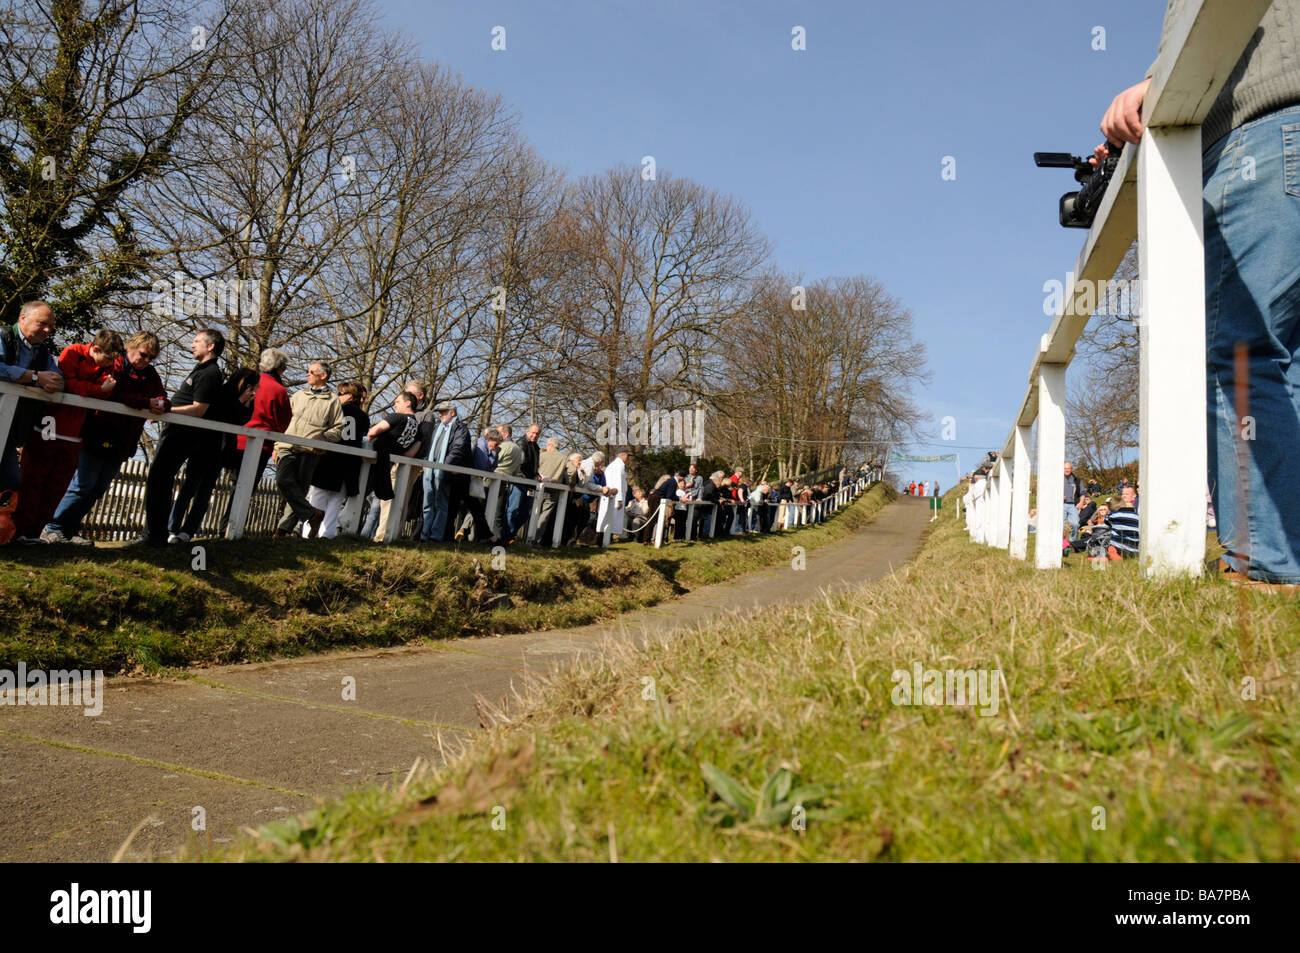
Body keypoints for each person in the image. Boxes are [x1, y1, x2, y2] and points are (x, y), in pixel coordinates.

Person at [1096, 0, 1300, 583]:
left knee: (1242, 355)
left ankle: (1263, 565)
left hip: (1261, 135)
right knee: (1286, 359)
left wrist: (1153, 83)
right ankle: (1285, 559)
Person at [44, 332, 170, 544]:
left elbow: (163, 398)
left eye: (151, 358)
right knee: (82, 485)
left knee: (99, 488)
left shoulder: (151, 374)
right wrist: (146, 402)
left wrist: (161, 405)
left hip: (124, 441)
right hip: (98, 433)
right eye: (143, 354)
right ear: (131, 347)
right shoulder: (116, 365)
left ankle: (71, 529)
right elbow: (114, 393)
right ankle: (53, 527)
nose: (146, 360)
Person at [12, 329, 123, 543]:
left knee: (57, 486)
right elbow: (66, 384)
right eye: (108, 358)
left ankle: (35, 533)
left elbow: (104, 390)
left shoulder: (111, 365)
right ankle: (19, 530)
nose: (110, 364)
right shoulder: (72, 353)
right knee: (34, 478)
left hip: (76, 431)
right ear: (96, 349)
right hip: (49, 424)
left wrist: (99, 390)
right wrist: (98, 389)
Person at [139, 328, 224, 548]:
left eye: (196, 341)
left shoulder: (210, 373)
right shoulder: (201, 370)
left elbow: (199, 409)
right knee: (159, 479)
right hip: (176, 430)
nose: (192, 344)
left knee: (160, 479)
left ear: (211, 346)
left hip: (183, 434)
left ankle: (154, 536)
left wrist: (166, 411)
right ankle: (154, 534)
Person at [169, 367, 258, 541]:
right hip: (204, 446)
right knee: (189, 487)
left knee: (205, 492)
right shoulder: (222, 392)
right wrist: (239, 402)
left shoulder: (248, 400)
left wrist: (245, 404)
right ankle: (171, 528)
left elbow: (240, 422)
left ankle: (188, 531)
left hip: (221, 451)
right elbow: (222, 415)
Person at [220, 347, 291, 531]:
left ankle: (219, 526)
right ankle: (230, 527)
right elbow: (284, 422)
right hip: (260, 446)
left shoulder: (247, 382)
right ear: (280, 368)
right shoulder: (278, 390)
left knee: (230, 484)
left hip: (235, 438)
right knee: (245, 489)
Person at [272, 361, 344, 539]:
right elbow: (283, 421)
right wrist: (276, 445)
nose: (307, 374)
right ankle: (313, 514)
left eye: (311, 372)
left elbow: (338, 428)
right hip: (287, 446)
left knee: (300, 489)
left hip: (310, 451)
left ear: (323, 375)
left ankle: (283, 530)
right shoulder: (298, 395)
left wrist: (325, 437)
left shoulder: (332, 400)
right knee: (282, 480)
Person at [1, 302, 64, 499]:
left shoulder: (43, 352)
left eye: (50, 327)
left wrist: (55, 384)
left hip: (10, 429)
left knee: (11, 482)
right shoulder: (2, 336)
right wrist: (35, 377)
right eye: (42, 323)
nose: (47, 330)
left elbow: (58, 379)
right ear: (22, 318)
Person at [304, 381, 369, 539]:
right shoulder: (363, 416)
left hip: (329, 459)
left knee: (318, 496)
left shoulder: (336, 409)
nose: (337, 397)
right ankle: (327, 534)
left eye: (340, 394)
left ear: (349, 396)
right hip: (349, 463)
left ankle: (307, 533)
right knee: (336, 499)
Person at [420, 401, 472, 542]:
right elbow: (431, 447)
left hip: (445, 473)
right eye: (440, 412)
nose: (440, 414)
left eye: (444, 412)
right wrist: (427, 461)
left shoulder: (461, 429)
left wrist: (443, 466)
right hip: (431, 470)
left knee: (441, 504)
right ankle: (424, 534)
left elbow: (457, 450)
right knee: (428, 503)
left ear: (452, 413)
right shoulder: (438, 428)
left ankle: (435, 536)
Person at [597, 447, 630, 540]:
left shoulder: (613, 465)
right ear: (622, 455)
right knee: (611, 518)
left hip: (610, 494)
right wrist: (619, 499)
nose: (628, 458)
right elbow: (617, 482)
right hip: (614, 495)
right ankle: (606, 539)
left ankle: (605, 538)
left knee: (608, 517)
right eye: (627, 455)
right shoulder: (618, 466)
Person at [1062, 461, 1082, 542]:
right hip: (1061, 505)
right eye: (1065, 468)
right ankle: (1061, 544)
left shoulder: (1076, 480)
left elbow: (1083, 493)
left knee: (1075, 524)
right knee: (1061, 526)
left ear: (1072, 469)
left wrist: (1081, 503)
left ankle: (1073, 542)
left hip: (1073, 505)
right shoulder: (1058, 479)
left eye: (1068, 468)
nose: (1067, 470)